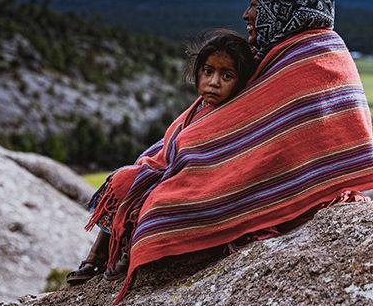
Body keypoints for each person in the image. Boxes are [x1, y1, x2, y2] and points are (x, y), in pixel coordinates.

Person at [67, 0, 373, 302]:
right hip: (220, 166)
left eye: (255, 5)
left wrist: (195, 152)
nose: (246, 14)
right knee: (134, 179)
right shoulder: (275, 54)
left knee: (163, 204)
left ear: (280, 10)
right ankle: (100, 255)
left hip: (274, 186)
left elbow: (281, 139)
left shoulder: (313, 56)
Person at [66, 29, 256, 285]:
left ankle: (130, 249)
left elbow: (206, 154)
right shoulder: (197, 109)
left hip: (195, 180)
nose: (213, 82)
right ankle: (96, 255)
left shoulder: (232, 112)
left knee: (158, 196)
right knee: (124, 180)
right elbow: (169, 145)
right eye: (208, 71)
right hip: (165, 170)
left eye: (227, 76)